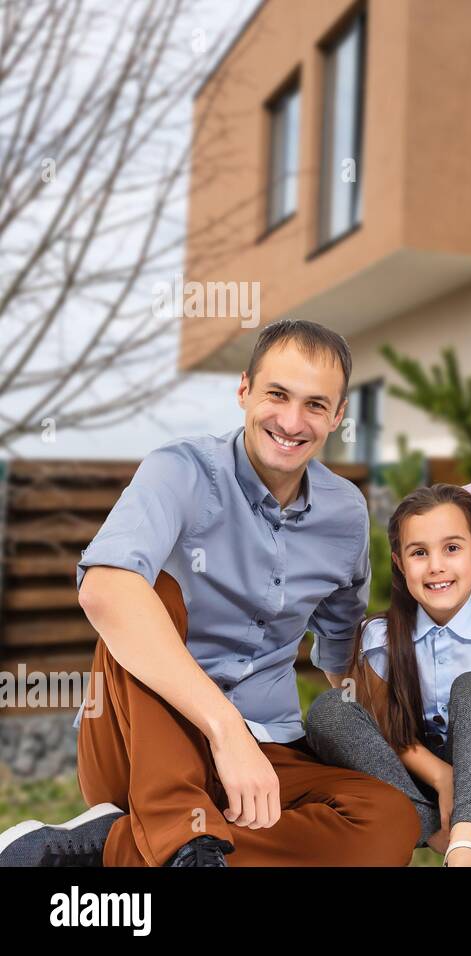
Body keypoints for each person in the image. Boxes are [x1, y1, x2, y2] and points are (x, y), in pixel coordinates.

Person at [0, 320, 420, 867]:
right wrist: (224, 728)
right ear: (244, 389)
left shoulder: (344, 513)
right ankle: (183, 839)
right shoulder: (181, 471)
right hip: (142, 745)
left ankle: (113, 845)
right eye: (277, 394)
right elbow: (103, 590)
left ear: (338, 416)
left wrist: (413, 757)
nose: (292, 422)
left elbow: (343, 655)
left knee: (389, 822)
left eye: (316, 405)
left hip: (269, 748)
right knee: (153, 590)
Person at [304, 484, 471, 866]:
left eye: (452, 548)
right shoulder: (381, 637)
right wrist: (440, 776)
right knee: (330, 709)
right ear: (399, 563)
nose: (436, 566)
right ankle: (438, 831)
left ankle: (466, 841)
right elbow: (384, 731)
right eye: (419, 553)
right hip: (407, 779)